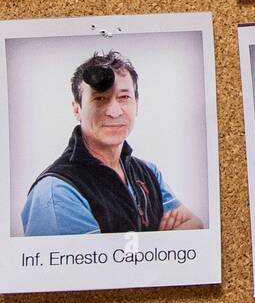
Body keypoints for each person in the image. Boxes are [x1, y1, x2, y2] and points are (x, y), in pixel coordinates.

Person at [22, 49, 204, 235]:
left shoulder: (149, 173)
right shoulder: (57, 191)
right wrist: (161, 240)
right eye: (100, 98)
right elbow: (96, 264)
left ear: (137, 104)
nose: (114, 112)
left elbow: (195, 227)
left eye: (124, 97)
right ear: (77, 109)